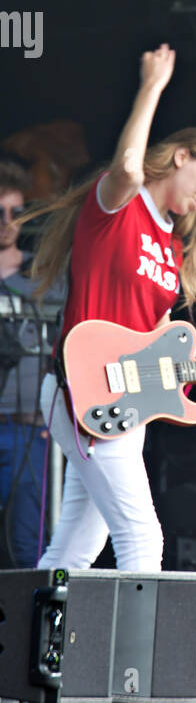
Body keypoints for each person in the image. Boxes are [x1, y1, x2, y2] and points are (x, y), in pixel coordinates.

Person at [17, 44, 196, 573]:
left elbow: (156, 345)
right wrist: (152, 85)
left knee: (75, 550)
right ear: (182, 157)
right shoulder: (119, 205)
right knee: (141, 539)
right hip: (84, 389)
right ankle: (143, 658)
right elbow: (129, 166)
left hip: (125, 402)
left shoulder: (172, 246)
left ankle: (31, 651)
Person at [0, 160, 64, 566]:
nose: (7, 223)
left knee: (29, 550)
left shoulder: (44, 277)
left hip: (28, 431)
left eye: (16, 213)